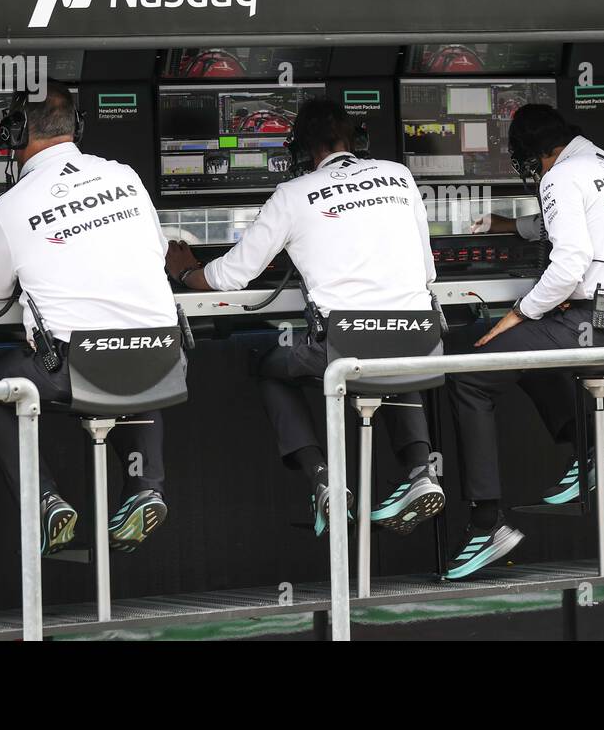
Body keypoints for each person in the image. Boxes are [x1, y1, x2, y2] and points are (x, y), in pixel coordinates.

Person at [165, 99, 445, 537]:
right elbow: (428, 272)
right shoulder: (400, 176)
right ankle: (419, 472)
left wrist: (184, 272)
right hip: (420, 344)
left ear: (303, 151)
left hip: (345, 351)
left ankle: (322, 478)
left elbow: (232, 274)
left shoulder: (292, 196)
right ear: (358, 140)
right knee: (395, 356)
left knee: (267, 366)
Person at [444, 105, 604, 579]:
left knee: (470, 370)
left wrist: (519, 311)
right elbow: (587, 227)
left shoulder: (559, 175)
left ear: (536, 153)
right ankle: (589, 449)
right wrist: (512, 225)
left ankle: (486, 525)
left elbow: (569, 261)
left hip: (602, 323)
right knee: (526, 351)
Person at [0, 81, 179, 555]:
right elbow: (160, 250)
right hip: (162, 359)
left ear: (16, 132)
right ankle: (147, 487)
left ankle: (45, 501)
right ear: (77, 126)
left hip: (78, 370)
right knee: (131, 358)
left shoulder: (10, 206)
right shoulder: (125, 175)